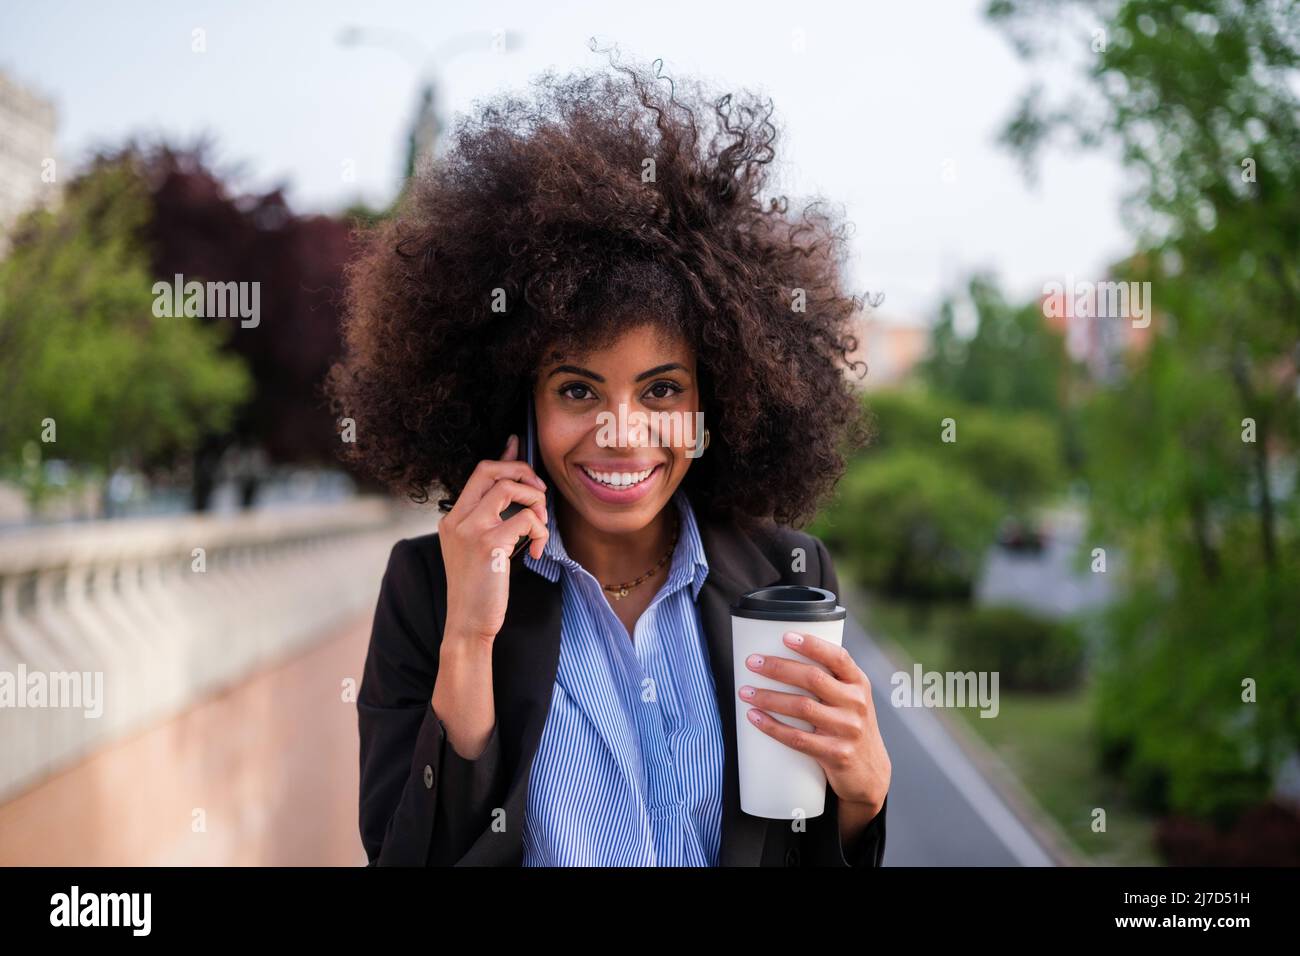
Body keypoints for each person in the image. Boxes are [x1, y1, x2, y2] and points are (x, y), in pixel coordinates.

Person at [327, 56, 891, 866]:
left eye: (661, 390)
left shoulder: (788, 574)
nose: (622, 433)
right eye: (578, 390)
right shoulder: (427, 590)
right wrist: (469, 640)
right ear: (517, 402)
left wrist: (862, 804)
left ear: (715, 401)